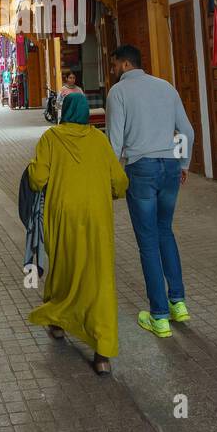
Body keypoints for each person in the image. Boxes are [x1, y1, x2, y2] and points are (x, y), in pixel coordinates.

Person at [27, 92, 129, 376]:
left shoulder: (50, 138)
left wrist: (32, 169)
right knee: (98, 279)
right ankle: (102, 354)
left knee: (64, 268)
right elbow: (119, 182)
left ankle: (58, 323)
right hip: (97, 218)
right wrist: (114, 192)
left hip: (63, 216)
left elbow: (37, 179)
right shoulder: (99, 140)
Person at [105, 44, 196, 339]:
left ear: (124, 63)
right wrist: (183, 162)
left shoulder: (118, 93)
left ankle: (158, 316)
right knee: (165, 232)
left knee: (147, 243)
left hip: (141, 169)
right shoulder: (166, 87)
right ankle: (178, 303)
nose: (113, 69)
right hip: (169, 167)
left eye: (114, 64)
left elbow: (115, 140)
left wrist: (110, 178)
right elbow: (187, 131)